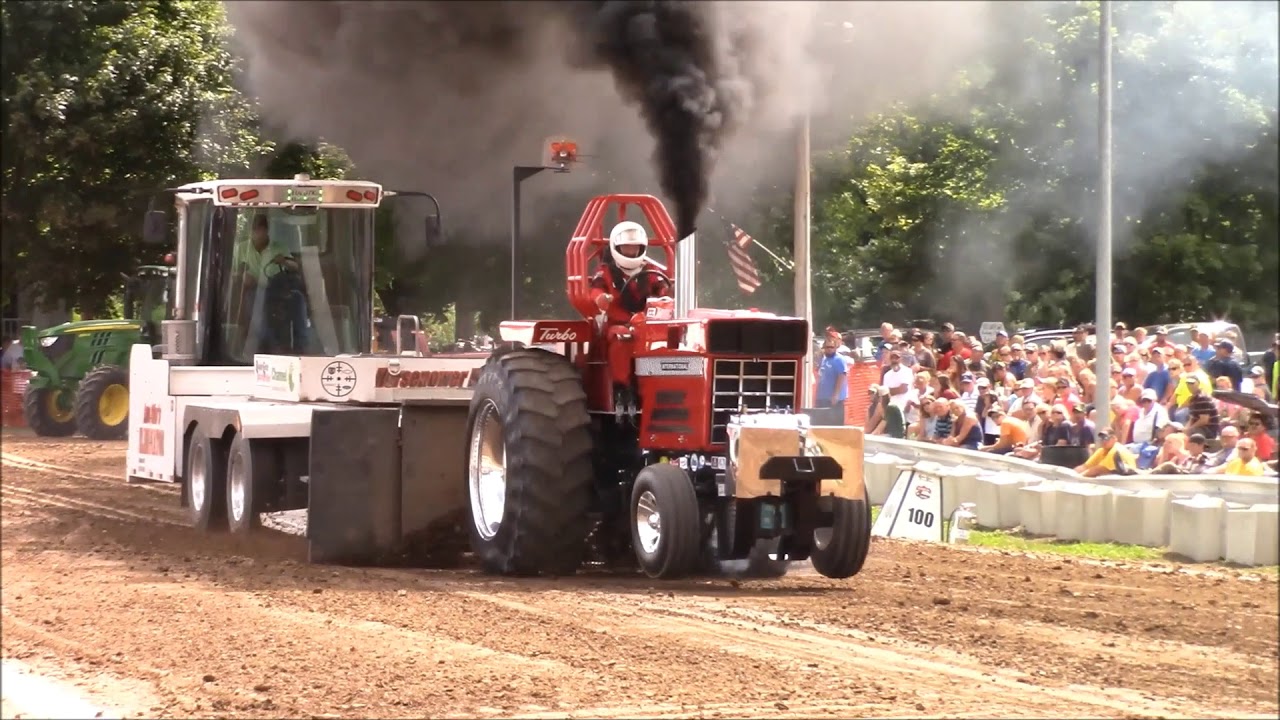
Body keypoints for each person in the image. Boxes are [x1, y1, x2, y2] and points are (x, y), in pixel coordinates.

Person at [234, 214, 307, 354]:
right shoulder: (242, 249)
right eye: (255, 230)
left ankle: (301, 346)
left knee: (298, 299)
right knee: (256, 303)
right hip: (254, 289)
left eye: (261, 230)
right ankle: (269, 345)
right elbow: (232, 272)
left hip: (277, 288)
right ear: (251, 231)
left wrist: (284, 261)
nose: (258, 234)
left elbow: (295, 267)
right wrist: (242, 276)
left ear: (267, 231)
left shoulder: (279, 247)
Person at [589, 221, 672, 324]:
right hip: (617, 324)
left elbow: (661, 289)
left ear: (641, 248)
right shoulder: (605, 271)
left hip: (647, 324)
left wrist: (666, 292)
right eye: (626, 247)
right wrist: (600, 298)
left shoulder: (650, 269)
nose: (631, 251)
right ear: (616, 248)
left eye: (634, 247)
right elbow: (596, 289)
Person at [1073, 429, 1137, 477]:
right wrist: (1073, 473)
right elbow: (1085, 466)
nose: (1103, 441)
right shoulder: (1101, 450)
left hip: (1128, 479)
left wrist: (1079, 478)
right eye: (1102, 439)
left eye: (1106, 438)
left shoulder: (1116, 450)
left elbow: (1099, 469)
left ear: (1114, 438)